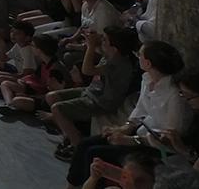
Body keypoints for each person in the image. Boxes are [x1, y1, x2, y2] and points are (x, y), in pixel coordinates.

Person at [64, 40, 191, 186]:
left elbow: (169, 137)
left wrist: (131, 140)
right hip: (141, 136)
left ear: (148, 63)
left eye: (140, 55)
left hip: (159, 148)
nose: (138, 57)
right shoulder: (147, 79)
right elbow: (140, 110)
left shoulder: (174, 94)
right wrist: (124, 128)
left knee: (95, 153)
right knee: (85, 144)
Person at [45, 26, 141, 159]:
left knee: (57, 109)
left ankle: (76, 145)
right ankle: (69, 134)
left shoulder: (118, 64)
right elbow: (100, 50)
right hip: (92, 92)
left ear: (114, 48)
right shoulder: (113, 55)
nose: (102, 41)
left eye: (105, 40)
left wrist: (90, 46)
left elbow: (87, 70)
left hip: (101, 101)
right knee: (52, 97)